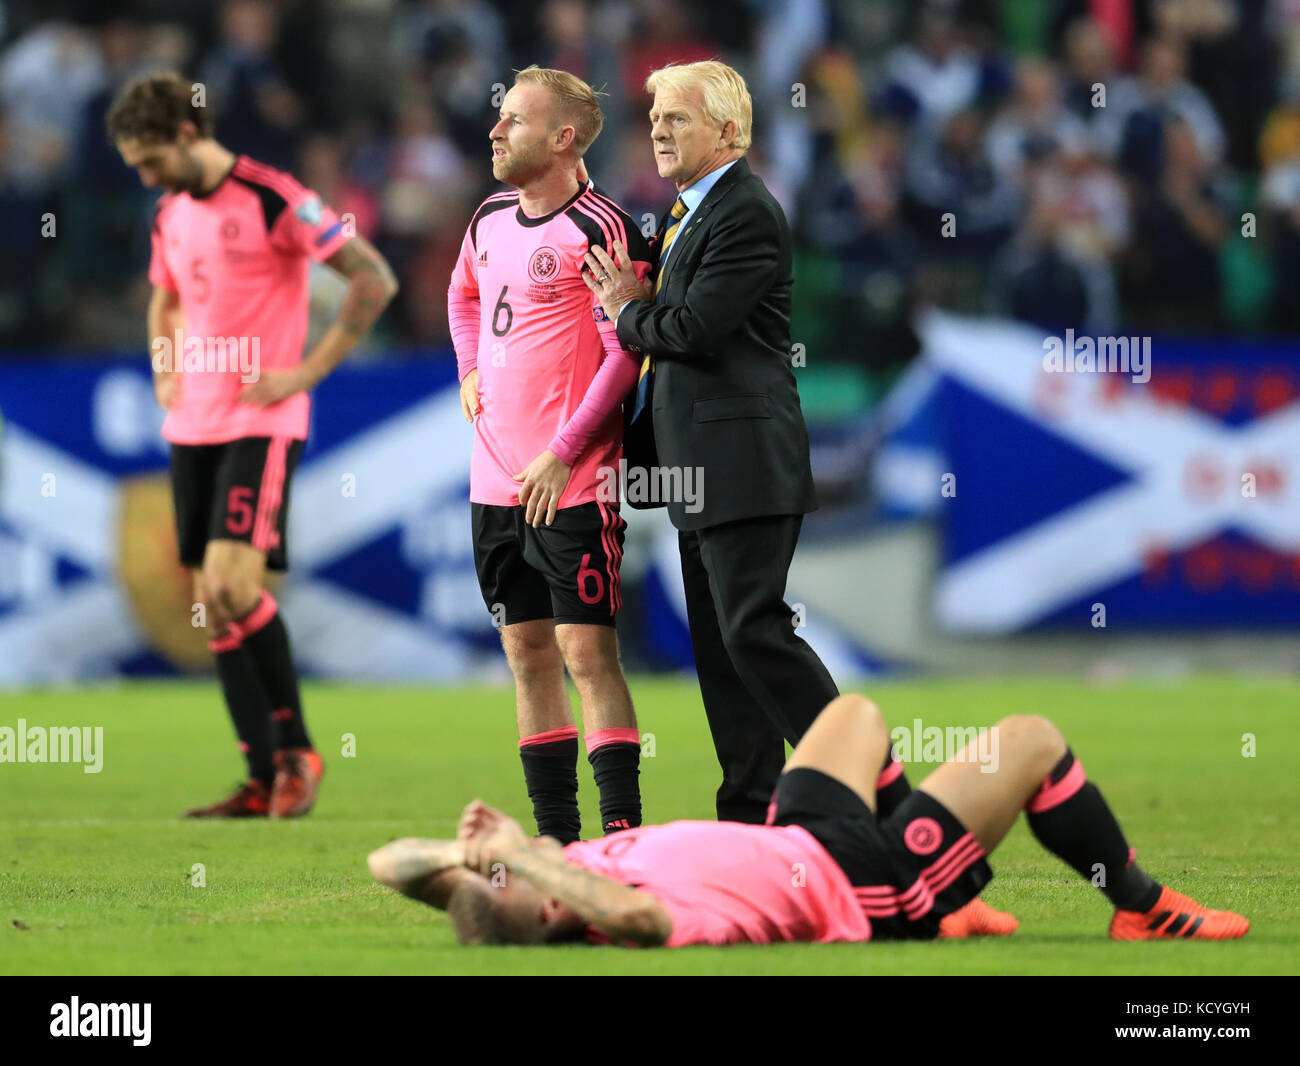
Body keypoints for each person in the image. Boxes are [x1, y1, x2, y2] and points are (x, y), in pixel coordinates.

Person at [368, 694, 1250, 947]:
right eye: (515, 873)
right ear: (556, 903)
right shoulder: (618, 913)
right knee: (1031, 741)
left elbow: (386, 864)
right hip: (862, 881)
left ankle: (955, 902)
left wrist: (475, 854)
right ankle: (1141, 905)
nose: (515, 853)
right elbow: (638, 918)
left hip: (801, 838)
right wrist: (530, 859)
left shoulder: (556, 884)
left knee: (852, 716)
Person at [109, 72, 398, 817]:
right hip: (192, 425)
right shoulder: (169, 212)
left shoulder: (274, 197)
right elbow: (165, 299)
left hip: (261, 422)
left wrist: (305, 372)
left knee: (233, 588)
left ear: (186, 134)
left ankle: (298, 752)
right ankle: (261, 777)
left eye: (151, 161)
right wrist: (165, 368)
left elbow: (373, 279)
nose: (146, 178)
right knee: (211, 600)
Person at [582, 60, 844, 826]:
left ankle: (863, 780)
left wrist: (627, 311)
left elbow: (695, 329)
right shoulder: (686, 214)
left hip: (744, 463)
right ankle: (749, 814)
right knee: (724, 649)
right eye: (655, 117)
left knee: (752, 630)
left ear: (729, 130)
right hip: (697, 470)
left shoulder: (745, 211)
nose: (658, 129)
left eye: (678, 118)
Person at [447, 66, 653, 843]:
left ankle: (621, 838)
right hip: (495, 482)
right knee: (527, 652)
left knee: (586, 652)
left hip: (573, 483)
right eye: (500, 118)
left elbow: (626, 353)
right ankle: (558, 844)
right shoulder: (487, 219)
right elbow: (462, 295)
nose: (495, 131)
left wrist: (565, 451)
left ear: (563, 138)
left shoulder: (603, 229)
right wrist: (469, 367)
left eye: (514, 121)